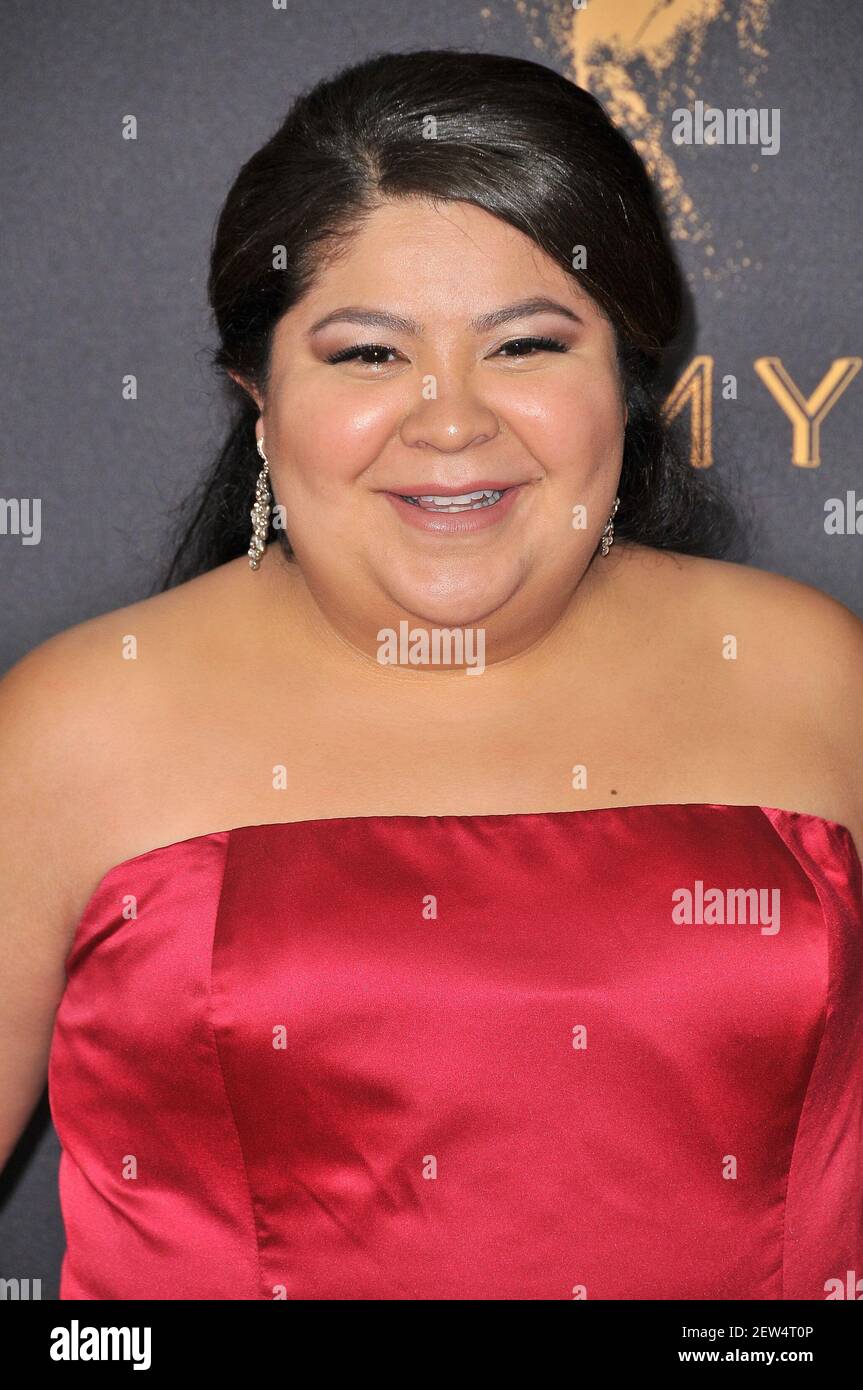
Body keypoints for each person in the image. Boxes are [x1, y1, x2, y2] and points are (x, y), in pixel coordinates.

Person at [1, 49, 861, 1302]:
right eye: (366, 356)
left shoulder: (810, 677)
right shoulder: (73, 725)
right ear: (259, 395)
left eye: (523, 345)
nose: (449, 420)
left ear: (622, 378)